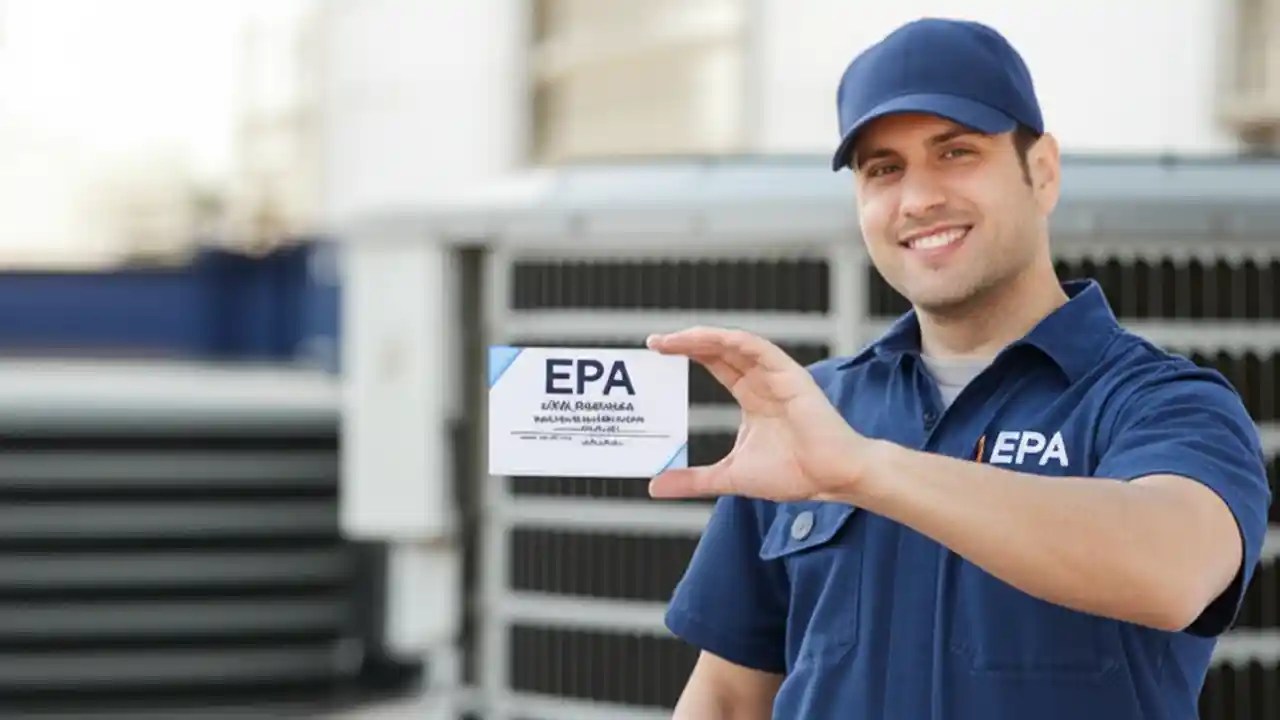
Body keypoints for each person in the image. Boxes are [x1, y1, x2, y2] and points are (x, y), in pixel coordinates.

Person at [645, 17, 1273, 720]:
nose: (917, 200)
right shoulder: (810, 413)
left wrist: (864, 470)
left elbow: (1173, 569)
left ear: (1042, 172)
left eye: (956, 153)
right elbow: (729, 698)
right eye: (884, 169)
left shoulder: (1160, 404)